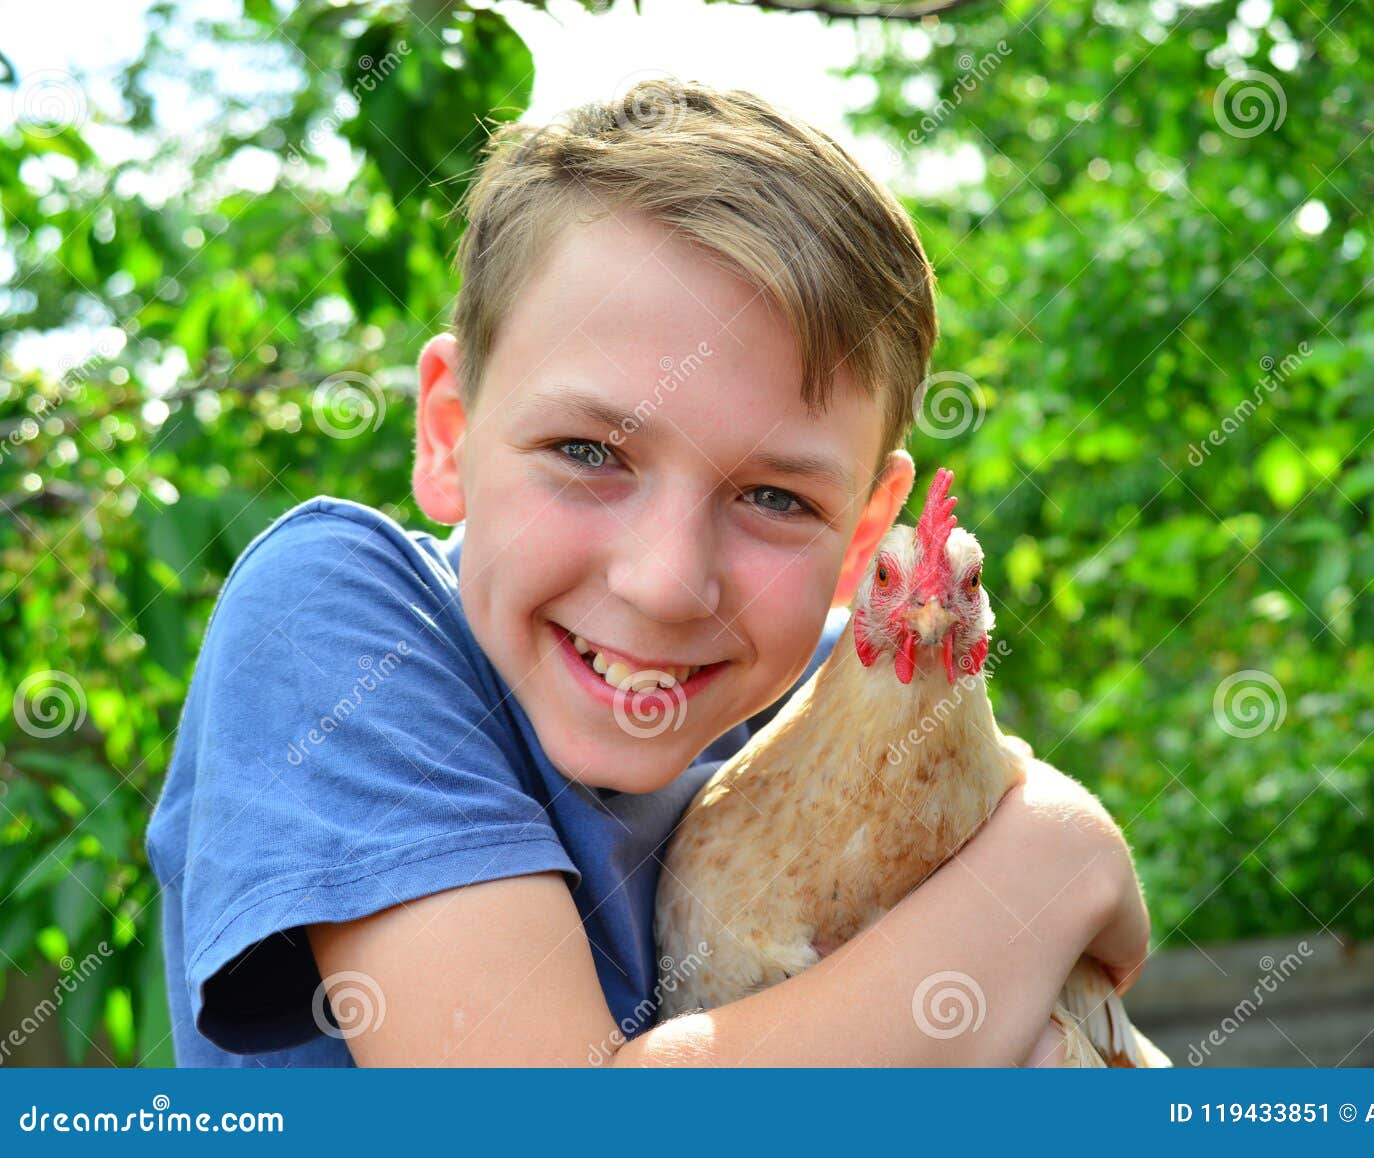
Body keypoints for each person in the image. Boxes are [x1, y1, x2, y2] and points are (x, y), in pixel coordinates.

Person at [144, 79, 1149, 1066]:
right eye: (589, 452)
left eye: (776, 500)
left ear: (860, 541)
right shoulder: (344, 620)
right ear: (449, 434)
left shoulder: (833, 697)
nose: (666, 584)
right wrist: (1057, 865)